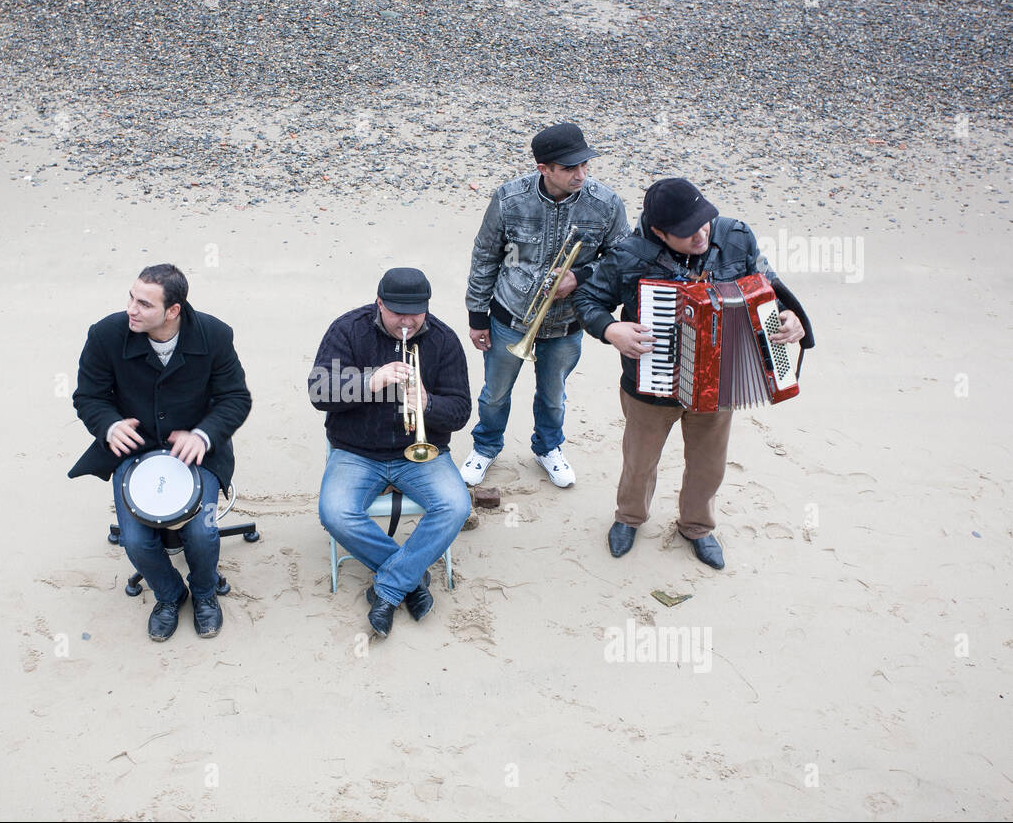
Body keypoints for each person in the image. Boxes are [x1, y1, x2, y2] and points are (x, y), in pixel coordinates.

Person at [575, 177, 808, 569]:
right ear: (659, 232)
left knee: (709, 462)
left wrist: (791, 318)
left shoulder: (735, 236)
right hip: (649, 387)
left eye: (703, 222)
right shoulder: (629, 256)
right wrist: (610, 329)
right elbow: (587, 298)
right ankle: (629, 518)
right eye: (686, 232)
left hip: (720, 383)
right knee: (639, 460)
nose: (701, 234)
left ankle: (697, 526)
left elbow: (770, 288)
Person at [69, 264, 252, 641]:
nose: (131, 310)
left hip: (196, 451)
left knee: (201, 532)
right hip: (135, 450)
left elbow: (235, 398)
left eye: (144, 304)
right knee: (135, 540)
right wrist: (108, 425)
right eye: (131, 298)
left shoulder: (215, 336)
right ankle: (170, 595)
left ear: (173, 311)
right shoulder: (105, 335)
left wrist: (204, 434)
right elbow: (89, 397)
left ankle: (203, 593)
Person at [462, 122, 630, 489]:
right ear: (544, 169)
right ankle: (486, 447)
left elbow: (624, 258)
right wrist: (477, 316)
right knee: (494, 394)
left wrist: (580, 276)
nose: (581, 174)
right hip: (510, 316)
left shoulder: (605, 203)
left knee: (554, 397)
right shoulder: (509, 198)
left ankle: (548, 447)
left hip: (567, 323)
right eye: (570, 168)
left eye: (585, 165)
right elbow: (485, 256)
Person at [310, 267, 472, 638]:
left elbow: (461, 412)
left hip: (422, 453)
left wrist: (429, 404)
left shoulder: (444, 341)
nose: (407, 321)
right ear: (379, 303)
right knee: (334, 512)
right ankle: (411, 581)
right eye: (398, 312)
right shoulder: (347, 331)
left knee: (456, 506)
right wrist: (370, 381)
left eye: (415, 312)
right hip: (357, 451)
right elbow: (319, 393)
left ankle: (387, 588)